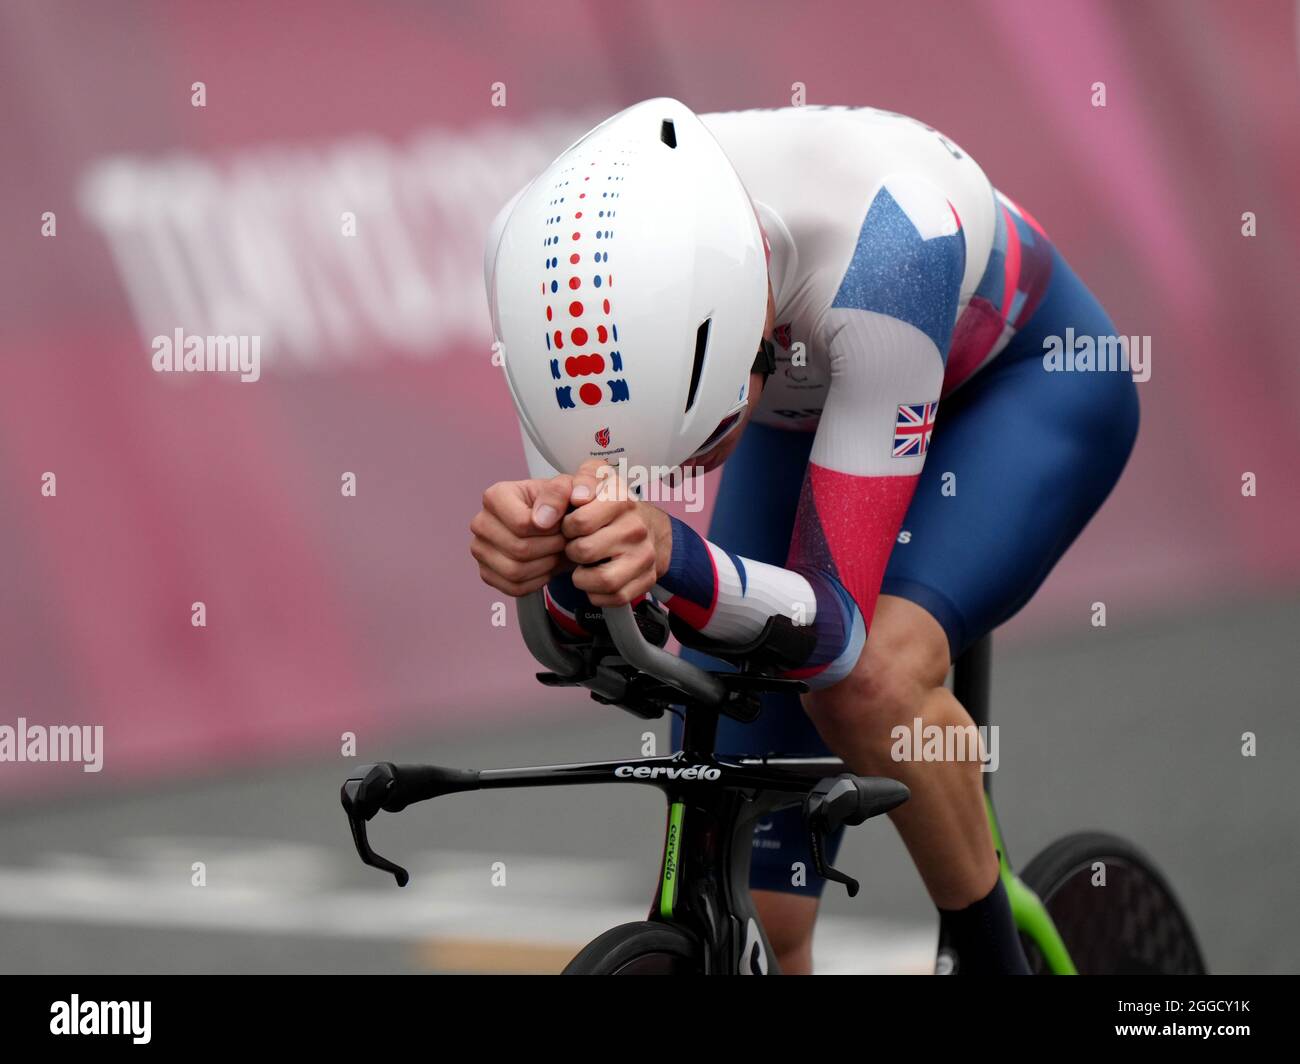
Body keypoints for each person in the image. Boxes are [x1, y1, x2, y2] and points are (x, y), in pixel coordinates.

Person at [473, 99, 1139, 975]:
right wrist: (543, 565)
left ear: (751, 341)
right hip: (821, 404)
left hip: (1022, 388)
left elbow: (831, 633)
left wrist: (670, 554)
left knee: (871, 684)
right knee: (767, 912)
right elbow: (592, 642)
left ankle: (991, 961)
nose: (677, 472)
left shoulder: (894, 249)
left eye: (697, 440)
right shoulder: (537, 260)